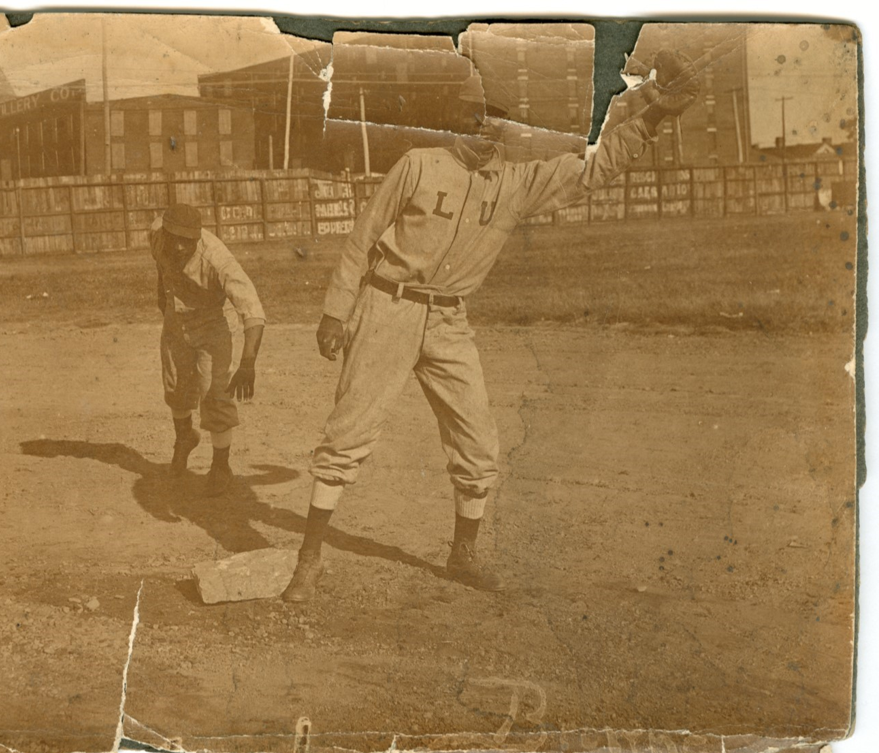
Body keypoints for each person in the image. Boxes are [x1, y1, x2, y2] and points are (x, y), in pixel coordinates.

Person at [283, 54, 699, 601]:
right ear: (454, 121)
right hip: (387, 305)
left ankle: (463, 554)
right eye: (474, 118)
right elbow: (363, 236)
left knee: (478, 441)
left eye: (494, 119)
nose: (485, 128)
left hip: (449, 318)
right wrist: (336, 310)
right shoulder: (418, 163)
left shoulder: (515, 183)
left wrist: (648, 119)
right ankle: (309, 560)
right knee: (349, 434)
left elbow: (593, 168)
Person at [150, 203, 265, 496]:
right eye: (172, 236)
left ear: (198, 236)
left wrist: (248, 362)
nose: (178, 246)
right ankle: (185, 438)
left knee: (215, 393)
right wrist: (162, 295)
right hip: (176, 320)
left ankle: (220, 465)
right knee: (176, 389)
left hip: (212, 323)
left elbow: (252, 310)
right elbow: (161, 264)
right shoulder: (156, 234)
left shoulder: (216, 259)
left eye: (186, 240)